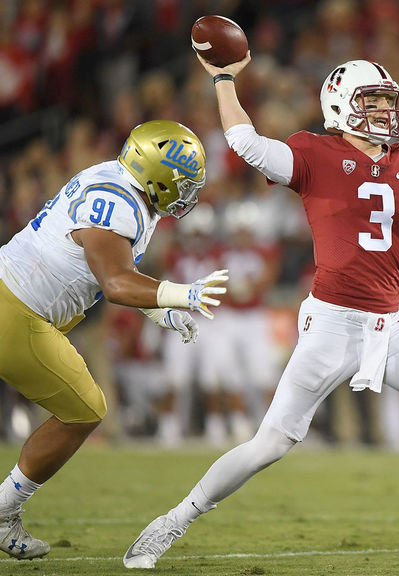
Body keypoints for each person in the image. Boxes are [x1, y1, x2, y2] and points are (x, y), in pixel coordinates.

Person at [122, 55, 399, 570]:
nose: (385, 111)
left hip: (390, 324)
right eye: (372, 101)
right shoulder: (315, 153)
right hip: (331, 323)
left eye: (388, 101)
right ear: (340, 105)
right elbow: (245, 143)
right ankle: (173, 522)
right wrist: (224, 79)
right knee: (269, 444)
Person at [0, 120, 228, 559]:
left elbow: (108, 271)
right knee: (84, 410)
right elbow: (117, 281)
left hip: (20, 304)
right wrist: (184, 293)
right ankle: (5, 509)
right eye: (182, 183)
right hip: (16, 310)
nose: (188, 194)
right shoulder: (115, 199)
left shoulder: (121, 184)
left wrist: (160, 311)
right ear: (156, 175)